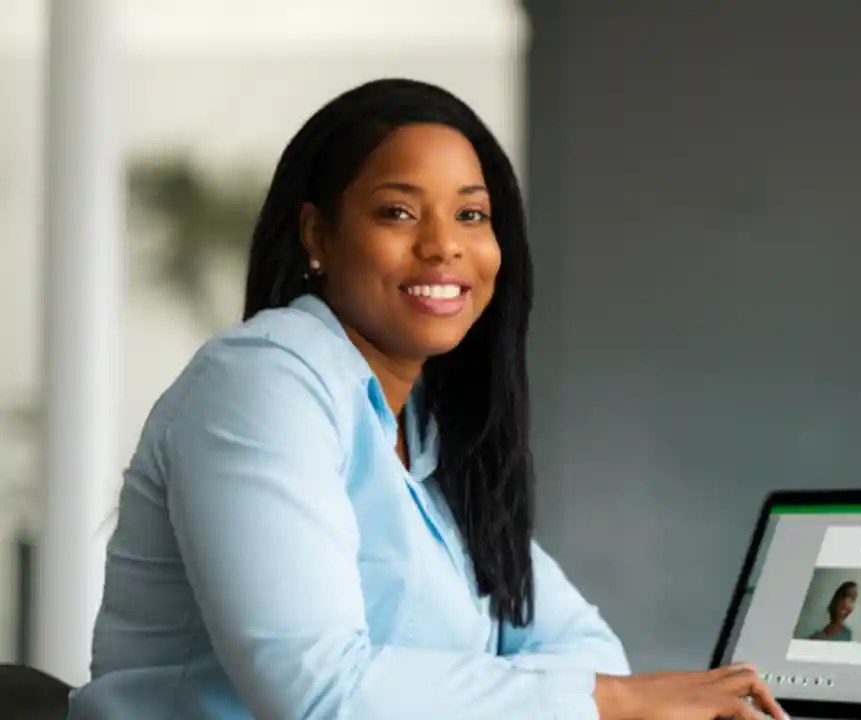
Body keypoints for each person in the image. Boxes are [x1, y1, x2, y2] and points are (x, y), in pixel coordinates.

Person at [66, 79, 785, 720]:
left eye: (472, 216)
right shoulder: (262, 384)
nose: (444, 246)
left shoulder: (433, 441)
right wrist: (601, 702)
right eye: (398, 213)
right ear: (318, 234)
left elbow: (587, 650)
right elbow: (318, 694)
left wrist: (559, 694)